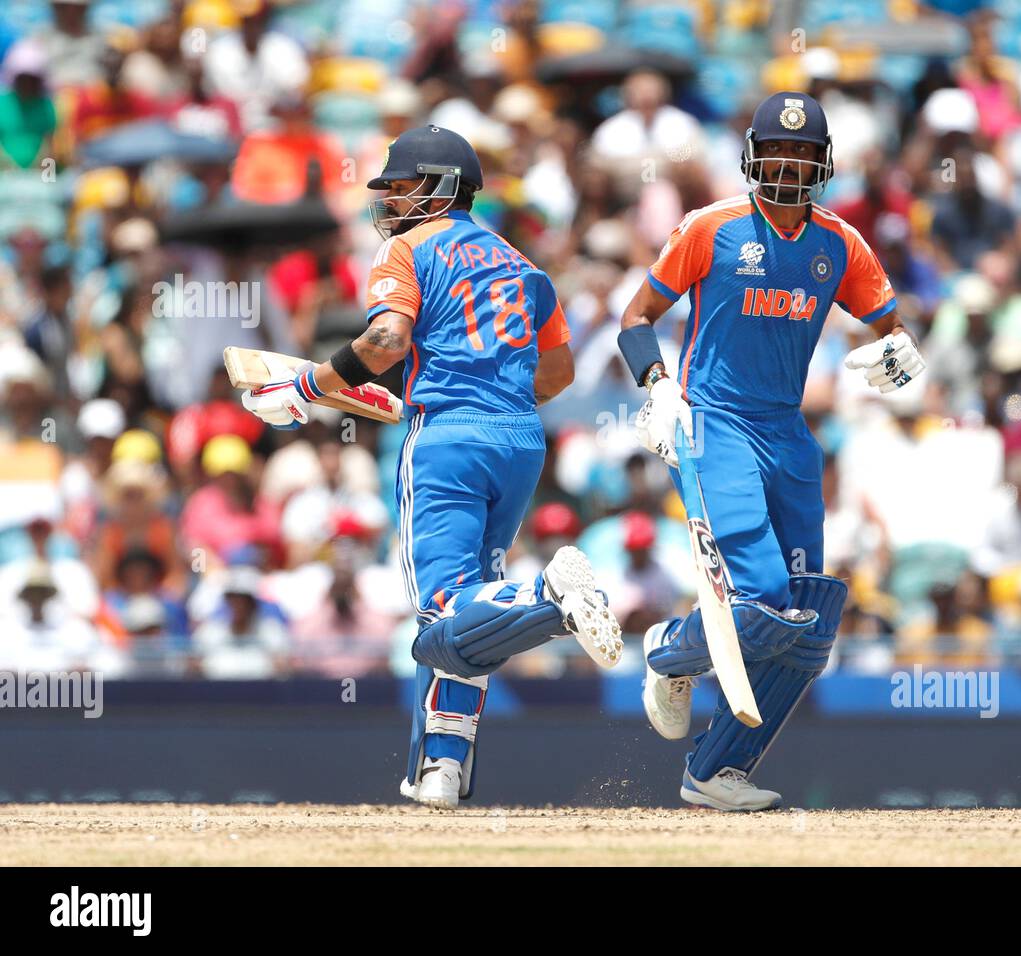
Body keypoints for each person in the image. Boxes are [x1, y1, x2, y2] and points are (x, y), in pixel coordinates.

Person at [238, 124, 623, 808]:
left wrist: (305, 389)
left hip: (447, 437)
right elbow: (557, 373)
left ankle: (546, 596)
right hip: (520, 439)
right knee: (459, 628)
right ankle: (441, 770)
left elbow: (385, 339)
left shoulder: (407, 250)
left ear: (444, 187)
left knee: (439, 608)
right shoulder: (523, 266)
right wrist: (485, 384)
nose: (387, 198)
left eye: (400, 185)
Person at [616, 92, 924, 811]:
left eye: (802, 154)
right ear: (754, 156)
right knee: (762, 601)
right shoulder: (711, 228)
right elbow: (638, 318)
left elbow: (889, 325)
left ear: (822, 164)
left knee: (808, 622)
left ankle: (716, 769)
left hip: (787, 433)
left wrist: (899, 357)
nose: (787, 164)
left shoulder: (841, 243)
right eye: (776, 152)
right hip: (717, 423)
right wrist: (658, 385)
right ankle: (668, 650)